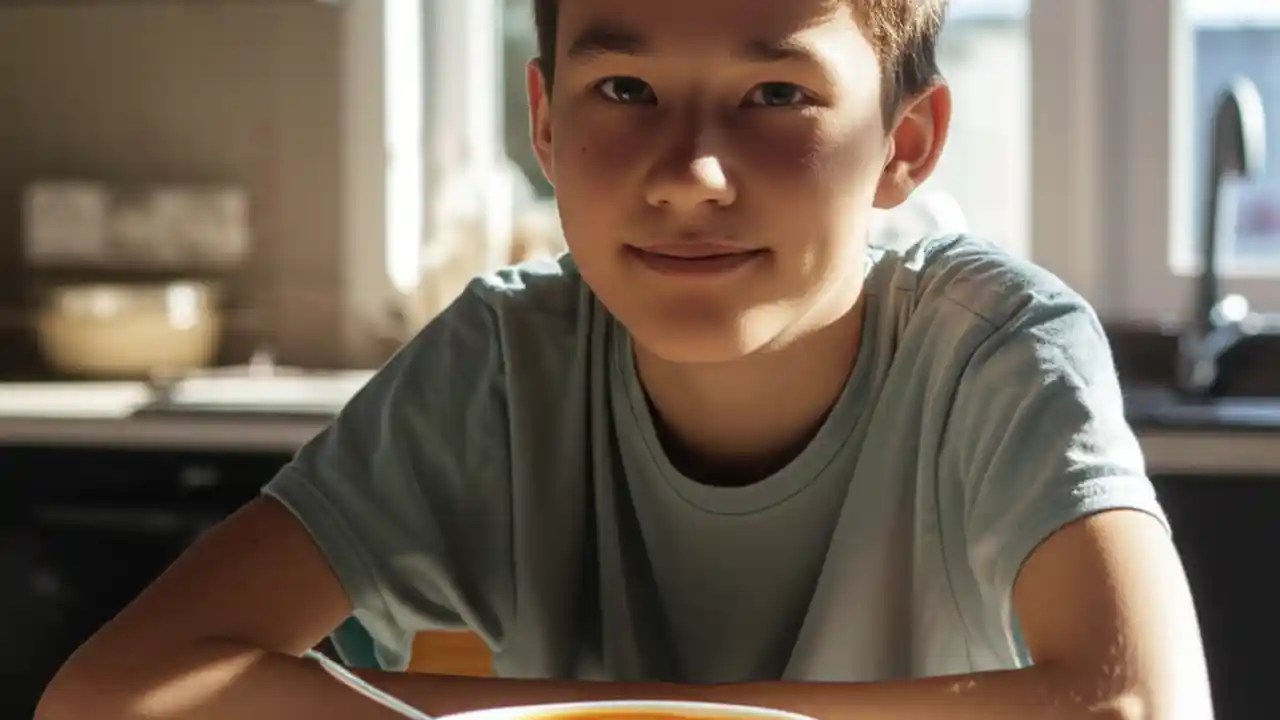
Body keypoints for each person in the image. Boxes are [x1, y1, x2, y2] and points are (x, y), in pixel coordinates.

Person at [37, 0, 1213, 718]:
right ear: (544, 125)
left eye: (773, 93)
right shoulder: (504, 361)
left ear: (903, 145)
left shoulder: (996, 351)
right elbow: (111, 698)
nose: (688, 172)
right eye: (626, 88)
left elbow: (1140, 704)